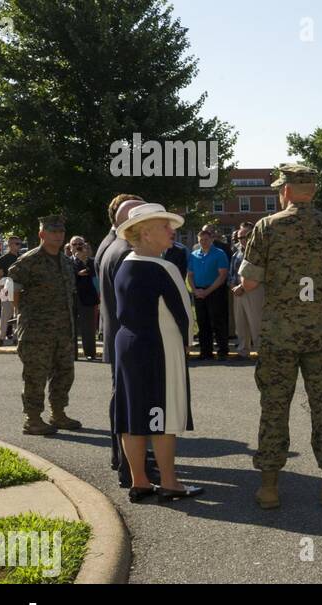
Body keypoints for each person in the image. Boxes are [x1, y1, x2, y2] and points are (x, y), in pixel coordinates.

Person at [239, 163, 322, 509]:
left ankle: (269, 488)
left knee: (274, 406)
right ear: (314, 191)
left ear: (288, 191)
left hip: (280, 334)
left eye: (280, 189)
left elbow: (248, 283)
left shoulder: (267, 227)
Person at [112, 203, 202, 502]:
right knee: (162, 416)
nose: (171, 230)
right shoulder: (164, 267)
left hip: (127, 345)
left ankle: (139, 481)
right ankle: (170, 482)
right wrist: (188, 345)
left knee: (132, 414)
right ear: (146, 233)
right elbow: (185, 316)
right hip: (159, 347)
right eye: (165, 226)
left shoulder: (125, 262)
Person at [98, 194, 161, 489]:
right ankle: (132, 468)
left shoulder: (110, 246)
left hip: (117, 335)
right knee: (132, 405)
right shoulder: (127, 253)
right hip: (133, 337)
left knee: (122, 400)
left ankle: (121, 459)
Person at [8, 215, 80, 435]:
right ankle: (33, 419)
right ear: (42, 234)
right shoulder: (28, 261)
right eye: (53, 232)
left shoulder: (66, 261)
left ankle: (58, 413)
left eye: (61, 232)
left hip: (63, 329)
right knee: (35, 374)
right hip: (36, 331)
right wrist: (25, 316)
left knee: (64, 372)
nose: (59, 236)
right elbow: (12, 291)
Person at [187, 225, 230, 359]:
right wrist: (195, 290)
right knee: (202, 323)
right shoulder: (194, 255)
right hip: (199, 291)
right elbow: (190, 275)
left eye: (206, 239)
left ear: (211, 239)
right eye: (201, 240)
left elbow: (222, 275)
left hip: (214, 291)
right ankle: (206, 351)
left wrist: (208, 291)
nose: (203, 242)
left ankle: (223, 351)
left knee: (217, 322)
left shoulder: (219, 254)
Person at [229, 221, 263, 358]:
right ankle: (243, 350)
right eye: (239, 238)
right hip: (238, 293)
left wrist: (242, 287)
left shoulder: (258, 253)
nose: (241, 240)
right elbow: (231, 275)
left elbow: (259, 274)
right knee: (241, 324)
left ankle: (261, 351)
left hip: (254, 291)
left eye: (244, 237)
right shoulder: (236, 254)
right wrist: (234, 288)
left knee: (256, 323)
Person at [68, 236, 99, 360]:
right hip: (72, 297)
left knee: (89, 328)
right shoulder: (67, 261)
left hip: (88, 298)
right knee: (71, 327)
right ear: (70, 247)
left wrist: (84, 261)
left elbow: (95, 275)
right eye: (74, 244)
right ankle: (72, 354)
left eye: (80, 243)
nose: (77, 246)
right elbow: (67, 277)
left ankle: (90, 353)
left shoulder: (92, 261)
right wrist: (77, 273)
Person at [0, 234, 22, 346]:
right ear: (10, 245)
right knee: (6, 314)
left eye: (19, 243)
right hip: (8, 286)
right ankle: (1, 338)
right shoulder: (2, 259)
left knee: (18, 314)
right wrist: (3, 289)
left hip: (20, 287)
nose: (18, 246)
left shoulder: (22, 258)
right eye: (16, 243)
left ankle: (16, 338)